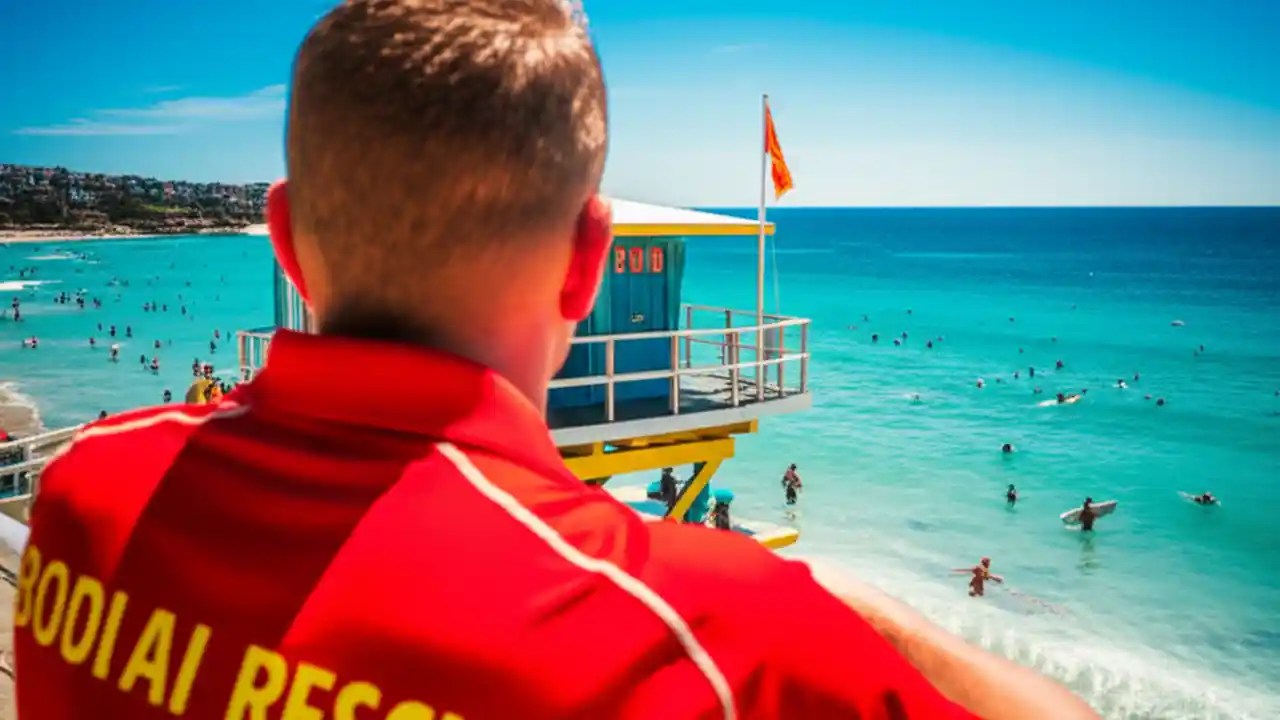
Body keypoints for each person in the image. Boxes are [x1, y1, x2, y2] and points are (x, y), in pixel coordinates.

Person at [16, 3, 1094, 719]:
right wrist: (868, 616)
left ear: (287, 242)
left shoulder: (90, 486)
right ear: (590, 261)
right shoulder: (709, 638)